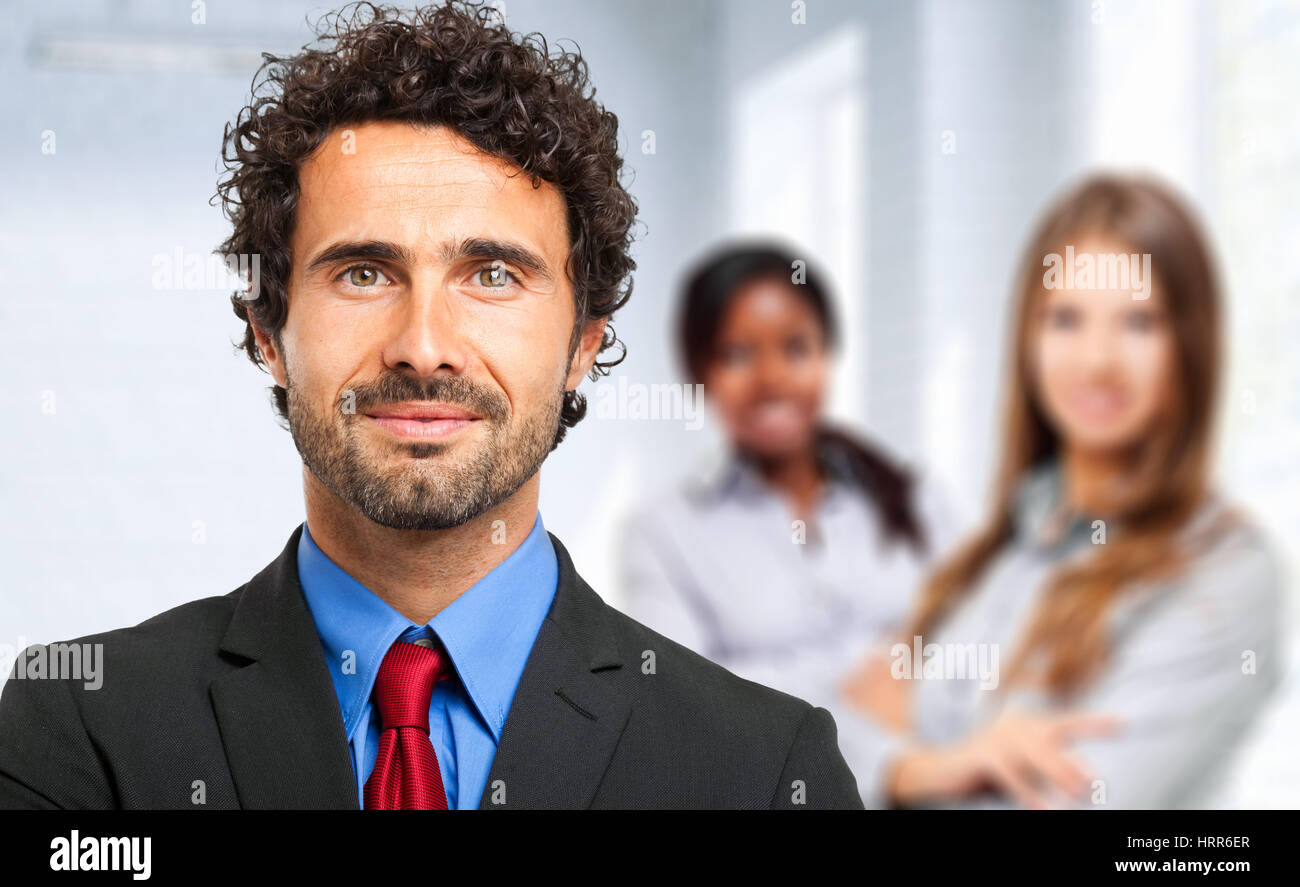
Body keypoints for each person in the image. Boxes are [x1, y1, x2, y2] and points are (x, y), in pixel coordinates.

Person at [0, 1, 862, 810]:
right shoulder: (81, 730)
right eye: (363, 272)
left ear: (583, 346)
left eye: (492, 275)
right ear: (269, 331)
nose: (423, 343)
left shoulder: (764, 769)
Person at [839, 174, 1285, 809]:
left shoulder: (1225, 572)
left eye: (1139, 322)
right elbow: (823, 733)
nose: (1097, 360)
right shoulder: (995, 553)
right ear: (1029, 338)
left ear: (1190, 344)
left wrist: (896, 762)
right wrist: (928, 770)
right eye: (1067, 320)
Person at [619, 243, 963, 803]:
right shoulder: (665, 532)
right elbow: (689, 709)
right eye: (737, 354)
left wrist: (768, 677)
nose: (772, 378)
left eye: (796, 348)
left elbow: (997, 644)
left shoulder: (918, 500)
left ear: (827, 354)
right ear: (698, 373)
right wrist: (874, 679)